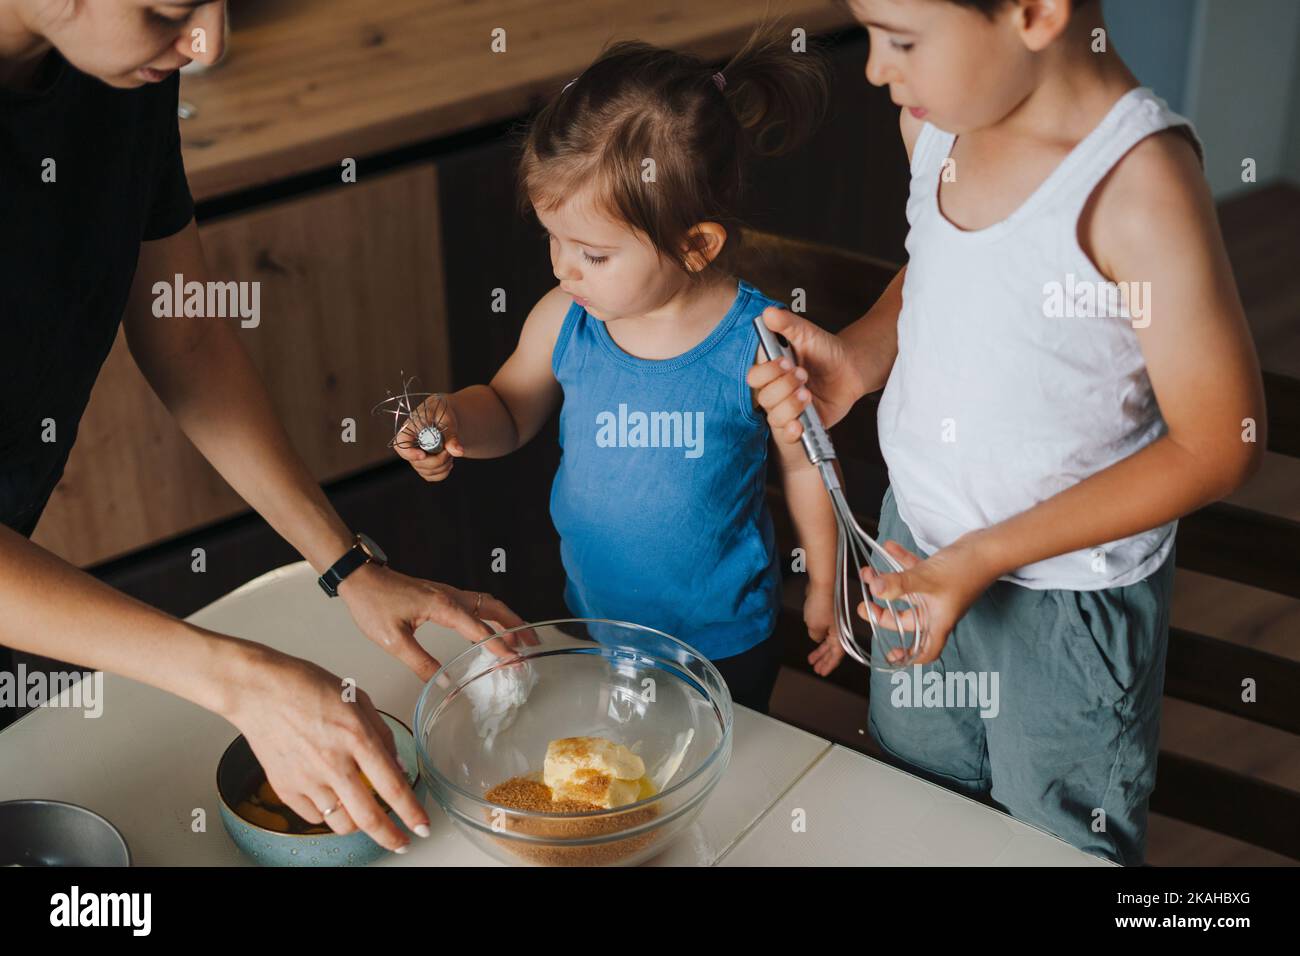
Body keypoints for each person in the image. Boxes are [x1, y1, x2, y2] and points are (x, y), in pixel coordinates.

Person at [0, 0, 525, 853]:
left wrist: (346, 566)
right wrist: (243, 681)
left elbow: (188, 333)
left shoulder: (124, 69)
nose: (203, 42)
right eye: (171, 9)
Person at [748, 0, 1265, 864]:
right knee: (915, 809)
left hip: (1062, 606)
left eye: (902, 41)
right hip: (916, 551)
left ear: (1034, 13)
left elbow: (1222, 442)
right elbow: (945, 271)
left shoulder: (1136, 187)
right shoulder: (938, 122)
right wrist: (861, 360)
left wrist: (984, 558)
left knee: (1051, 844)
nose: (875, 69)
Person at [396, 30, 845, 714]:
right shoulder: (566, 316)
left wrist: (822, 581)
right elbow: (509, 407)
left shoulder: (757, 340)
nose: (562, 267)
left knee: (724, 773)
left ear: (694, 246)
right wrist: (454, 419)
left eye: (593, 255)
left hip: (725, 641)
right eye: (554, 237)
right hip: (596, 618)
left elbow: (806, 464)